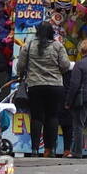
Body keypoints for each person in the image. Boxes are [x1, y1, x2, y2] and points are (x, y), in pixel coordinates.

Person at [15, 22, 71, 157]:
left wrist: (23, 73)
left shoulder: (28, 46)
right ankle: (49, 149)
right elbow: (66, 65)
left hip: (35, 86)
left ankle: (34, 149)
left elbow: (20, 66)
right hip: (55, 87)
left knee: (36, 117)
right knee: (52, 117)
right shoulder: (58, 46)